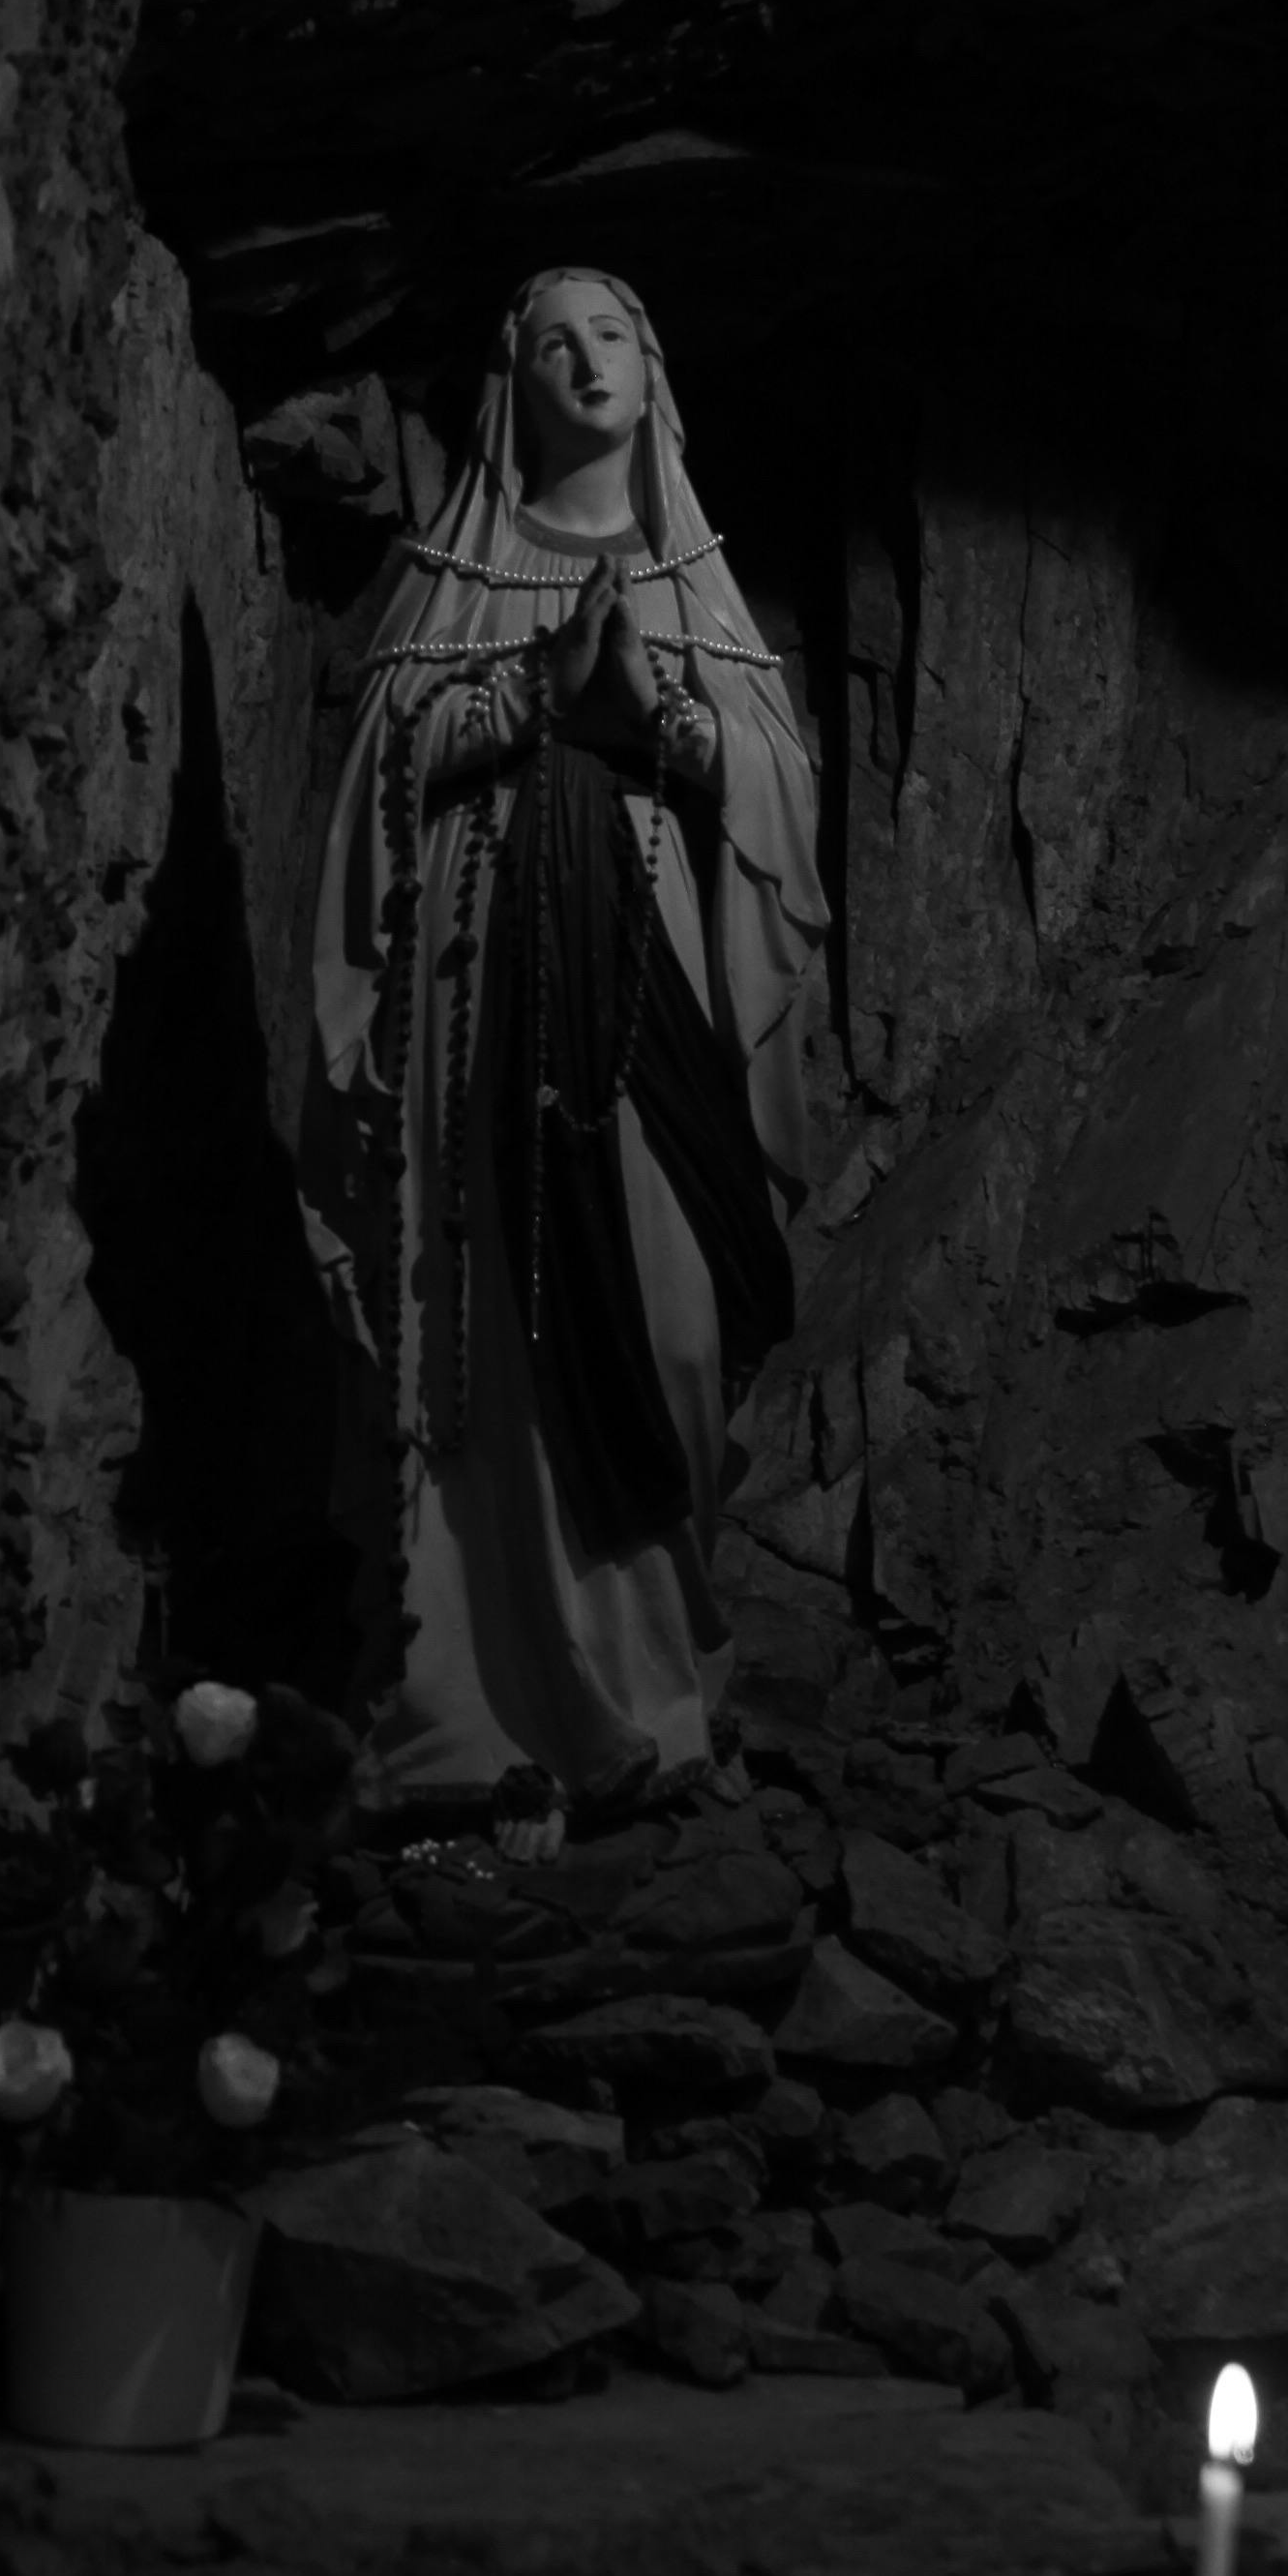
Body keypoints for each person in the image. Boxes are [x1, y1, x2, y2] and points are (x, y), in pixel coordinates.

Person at [304, 266, 824, 1832]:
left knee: (666, 1328)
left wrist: (662, 715)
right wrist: (538, 689)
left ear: (652, 375)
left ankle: (651, 1670)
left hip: (650, 990)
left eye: (614, 336)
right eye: (553, 341)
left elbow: (779, 821)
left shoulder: (701, 589)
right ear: (510, 383)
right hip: (477, 989)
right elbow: (382, 779)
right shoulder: (454, 579)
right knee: (484, 1328)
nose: (586, 362)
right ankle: (477, 1706)